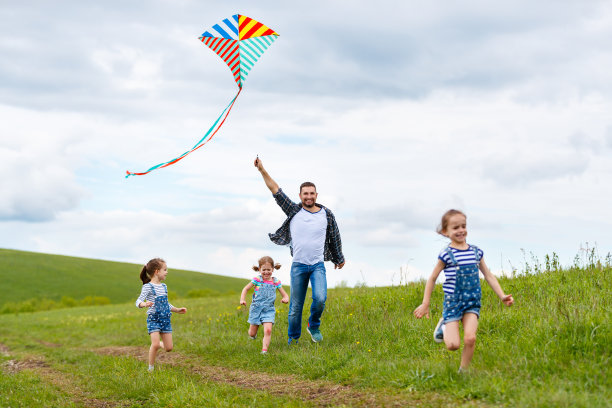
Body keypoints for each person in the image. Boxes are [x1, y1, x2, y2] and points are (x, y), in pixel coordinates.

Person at [254, 157, 345, 344]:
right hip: (298, 267)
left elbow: (335, 236)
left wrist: (339, 258)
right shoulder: (293, 210)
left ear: (316, 195)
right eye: (305, 194)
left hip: (317, 265)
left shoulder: (326, 214)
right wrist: (262, 169)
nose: (309, 197)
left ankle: (313, 325)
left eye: (312, 193)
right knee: (295, 307)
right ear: (300, 195)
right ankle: (293, 339)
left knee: (320, 298)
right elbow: (275, 190)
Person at [413, 209, 514, 371]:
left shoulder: (476, 252)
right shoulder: (446, 254)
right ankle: (444, 325)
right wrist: (426, 303)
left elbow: (488, 275)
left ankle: (463, 372)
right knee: (453, 345)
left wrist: (502, 295)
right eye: (455, 227)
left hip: (472, 302)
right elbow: (432, 278)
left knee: (470, 339)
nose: (460, 230)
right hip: (453, 303)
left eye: (463, 226)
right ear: (446, 232)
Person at [135, 258, 187, 372]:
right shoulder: (148, 286)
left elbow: (166, 304)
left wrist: (177, 310)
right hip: (154, 319)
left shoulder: (164, 287)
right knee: (155, 344)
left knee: (169, 348)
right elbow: (138, 301)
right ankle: (151, 369)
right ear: (157, 272)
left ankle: (159, 344)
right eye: (165, 269)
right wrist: (144, 304)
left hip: (165, 319)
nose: (167, 272)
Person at [240, 256, 290, 354]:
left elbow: (284, 294)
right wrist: (242, 299)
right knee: (252, 332)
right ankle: (253, 335)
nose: (266, 272)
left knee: (268, 330)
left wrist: (285, 298)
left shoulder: (275, 282)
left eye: (269, 269)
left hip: (269, 310)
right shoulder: (257, 280)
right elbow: (245, 289)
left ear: (273, 269)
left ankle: (264, 351)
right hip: (256, 309)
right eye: (264, 270)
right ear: (259, 269)